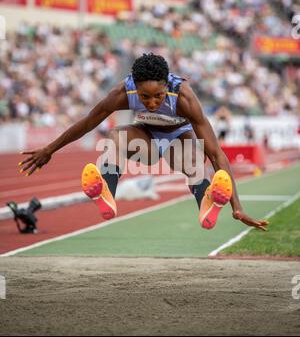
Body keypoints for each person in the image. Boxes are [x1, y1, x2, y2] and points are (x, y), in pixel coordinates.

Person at [19, 53, 268, 230]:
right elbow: (87, 123)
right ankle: (106, 190)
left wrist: (237, 207)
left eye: (158, 96)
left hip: (179, 141)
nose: (151, 102)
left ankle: (206, 203)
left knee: (194, 160)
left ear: (166, 86)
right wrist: (50, 149)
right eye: (144, 96)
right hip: (146, 139)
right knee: (114, 137)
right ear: (134, 87)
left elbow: (216, 154)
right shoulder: (121, 93)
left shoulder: (184, 99)